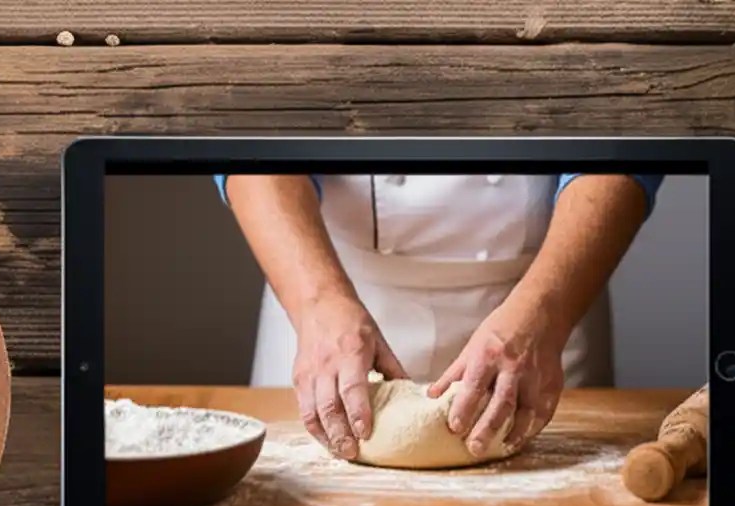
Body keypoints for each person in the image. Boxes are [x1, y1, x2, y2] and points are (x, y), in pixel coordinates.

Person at [215, 172, 662, 462]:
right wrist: (316, 302)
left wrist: (547, 311)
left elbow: (625, 129)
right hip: (324, 294)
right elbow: (248, 122)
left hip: (546, 298)